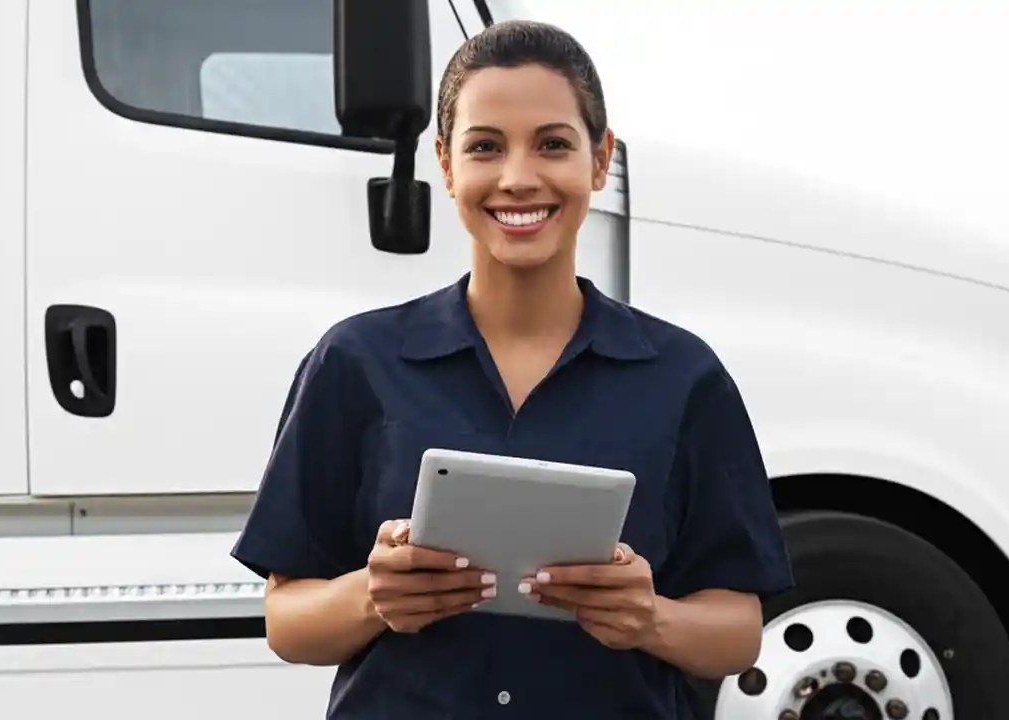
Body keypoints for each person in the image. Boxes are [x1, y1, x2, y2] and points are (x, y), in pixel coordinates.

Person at [230, 19, 793, 720]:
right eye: (485, 147)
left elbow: (737, 633)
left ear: (599, 159)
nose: (518, 178)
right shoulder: (354, 362)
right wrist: (373, 596)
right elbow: (286, 620)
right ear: (445, 165)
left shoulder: (685, 378)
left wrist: (649, 618)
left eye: (553, 144)